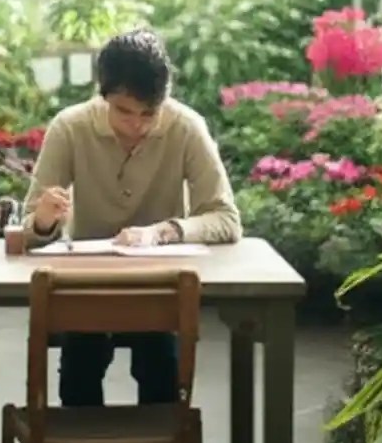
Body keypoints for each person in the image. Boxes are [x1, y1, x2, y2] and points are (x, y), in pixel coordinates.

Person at [20, 28, 242, 409]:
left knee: (162, 368)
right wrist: (43, 220)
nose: (136, 124)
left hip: (159, 286)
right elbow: (27, 229)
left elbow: (226, 218)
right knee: (79, 371)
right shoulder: (69, 127)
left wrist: (166, 231)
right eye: (124, 111)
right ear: (102, 94)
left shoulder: (186, 127)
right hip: (83, 287)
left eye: (149, 114)